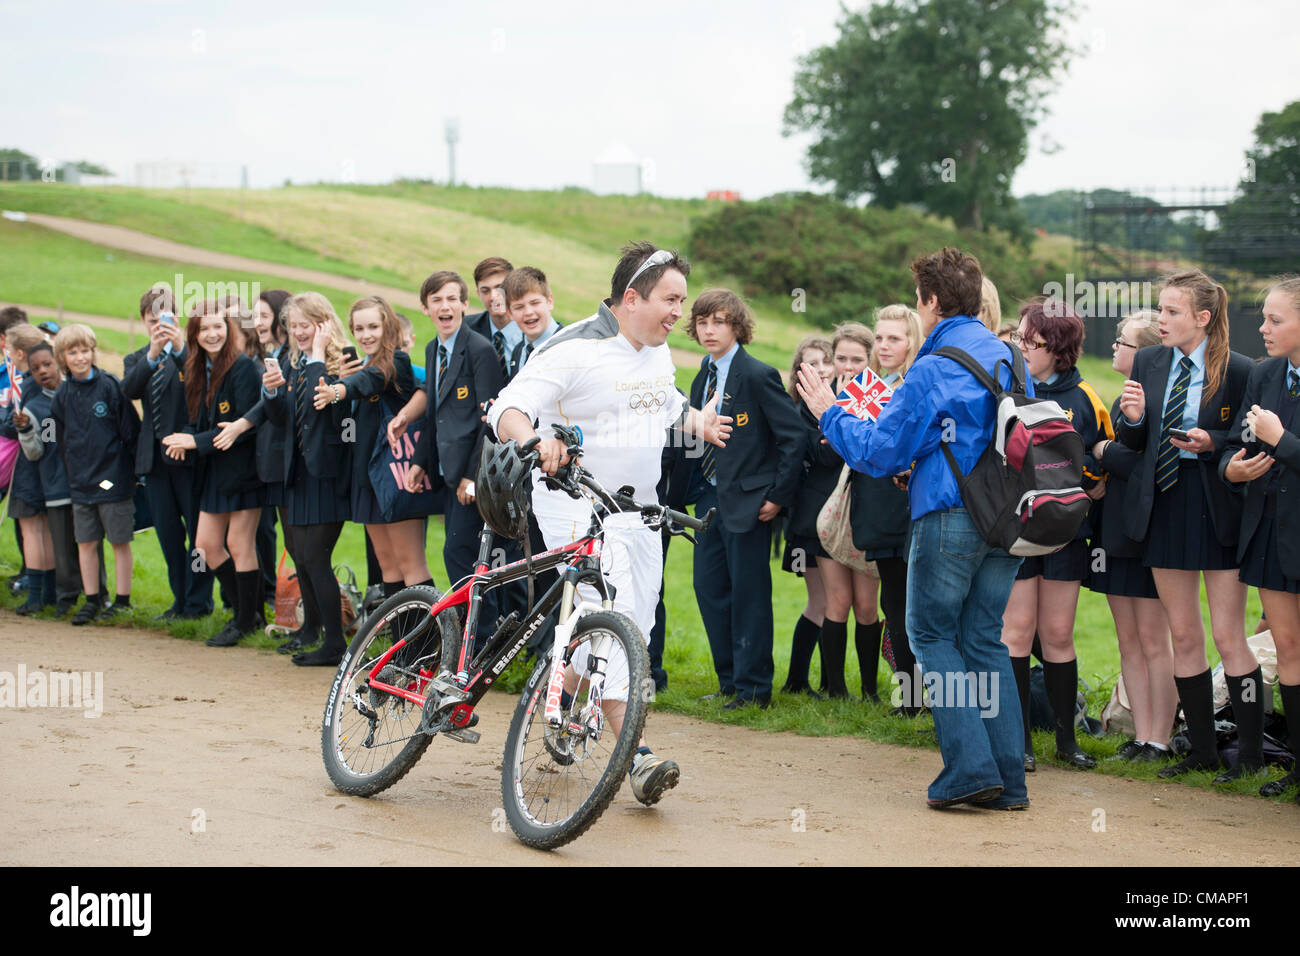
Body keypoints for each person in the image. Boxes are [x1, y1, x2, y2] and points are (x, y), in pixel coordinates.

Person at [488, 241, 732, 806]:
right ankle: (637, 756)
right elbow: (506, 407)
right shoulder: (574, 348)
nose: (680, 312)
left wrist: (697, 421)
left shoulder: (657, 350)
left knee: (635, 632)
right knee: (613, 620)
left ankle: (551, 699)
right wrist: (536, 441)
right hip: (574, 503)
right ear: (631, 297)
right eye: (670, 300)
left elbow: (661, 399)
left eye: (682, 300)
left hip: (638, 512)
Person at [797, 246, 1029, 811]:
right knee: (984, 640)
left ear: (928, 301)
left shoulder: (933, 365)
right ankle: (1009, 781)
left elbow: (879, 452)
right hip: (1007, 519)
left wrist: (832, 412)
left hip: (950, 518)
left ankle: (970, 770)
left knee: (930, 637)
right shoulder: (1008, 357)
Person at [1116, 269, 1256, 781]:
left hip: (1217, 507)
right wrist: (1133, 419)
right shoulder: (1150, 360)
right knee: (1183, 633)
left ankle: (1252, 758)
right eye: (1160, 309)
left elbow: (1249, 436)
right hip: (1165, 505)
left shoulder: (1241, 369)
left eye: (1172, 312)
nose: (1161, 320)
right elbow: (1134, 442)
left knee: (1228, 636)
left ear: (1203, 317)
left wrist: (1212, 441)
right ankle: (1200, 750)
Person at [1000, 298, 1112, 771]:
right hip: (1019, 532)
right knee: (1016, 633)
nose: (1022, 347)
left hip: (1066, 533)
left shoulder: (1086, 398)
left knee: (1058, 634)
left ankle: (1068, 742)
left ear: (1059, 347)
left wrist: (1078, 486)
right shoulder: (1005, 387)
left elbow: (1103, 466)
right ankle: (1019, 742)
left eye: (1033, 340)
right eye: (1021, 338)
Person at [687, 289, 805, 709]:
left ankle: (754, 690)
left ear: (737, 326)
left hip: (752, 504)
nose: (709, 329)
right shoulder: (704, 373)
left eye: (718, 321)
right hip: (709, 502)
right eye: (702, 321)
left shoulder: (757, 374)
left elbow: (794, 438)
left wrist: (776, 496)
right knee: (707, 587)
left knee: (749, 596)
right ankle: (729, 682)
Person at [391, 271, 504, 641]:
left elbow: (489, 420)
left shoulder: (479, 350)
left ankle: (478, 637)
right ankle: (467, 634)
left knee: (460, 552)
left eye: (453, 298)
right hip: (444, 470)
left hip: (470, 476)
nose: (446, 306)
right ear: (425, 308)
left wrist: (472, 476)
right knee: (457, 553)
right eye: (437, 299)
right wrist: (421, 461)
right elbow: (437, 412)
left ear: (464, 305)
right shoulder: (431, 349)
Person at [1221, 276, 1300, 799]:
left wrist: (1282, 440)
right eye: (1264, 317)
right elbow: (1236, 445)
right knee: (1288, 647)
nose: (1264, 328)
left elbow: (1279, 442)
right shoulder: (1265, 373)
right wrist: (1233, 469)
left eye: (1276, 319)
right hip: (1271, 532)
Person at [1088, 311, 1176, 764]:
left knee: (1155, 638)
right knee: (1128, 639)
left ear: (1145, 353)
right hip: (1113, 530)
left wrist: (1104, 451)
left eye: (1123, 342)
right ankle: (1141, 735)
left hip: (1147, 531)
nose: (1115, 349)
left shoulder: (1164, 397)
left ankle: (1162, 737)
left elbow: (1144, 464)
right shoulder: (1121, 397)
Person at [160, 300, 265, 647]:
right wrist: (185, 439)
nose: (212, 333)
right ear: (194, 335)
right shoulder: (196, 367)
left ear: (229, 329)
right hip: (214, 473)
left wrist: (194, 441)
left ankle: (244, 619)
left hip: (243, 470)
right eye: (204, 328)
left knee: (238, 544)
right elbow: (201, 421)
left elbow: (245, 425)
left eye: (218, 326)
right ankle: (246, 612)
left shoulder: (245, 367)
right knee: (205, 546)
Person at [313, 296, 432, 594]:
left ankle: (429, 639)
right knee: (386, 563)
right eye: (360, 328)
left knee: (410, 563)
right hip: (367, 477)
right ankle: (399, 639)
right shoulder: (359, 368)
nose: (366, 335)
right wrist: (342, 384)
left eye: (373, 327)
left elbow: (373, 380)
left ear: (388, 327)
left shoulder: (397, 362)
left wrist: (341, 388)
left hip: (397, 476)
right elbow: (344, 424)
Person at [262, 292, 354, 666]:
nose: (298, 333)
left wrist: (317, 354)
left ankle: (335, 642)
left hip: (328, 475)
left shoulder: (342, 360)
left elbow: (321, 410)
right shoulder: (299, 363)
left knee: (316, 558)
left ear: (324, 323)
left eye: (306, 326)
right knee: (301, 557)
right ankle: (311, 628)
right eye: (293, 326)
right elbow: (286, 419)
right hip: (299, 474)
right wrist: (271, 390)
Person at [121, 286, 214, 621]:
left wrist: (176, 347)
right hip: (154, 462)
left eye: (165, 319)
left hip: (189, 460)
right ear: (144, 322)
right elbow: (128, 390)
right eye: (151, 321)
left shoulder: (191, 356)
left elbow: (198, 384)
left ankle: (199, 602)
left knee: (197, 538)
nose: (157, 326)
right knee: (169, 536)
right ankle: (179, 601)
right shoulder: (136, 359)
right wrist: (153, 353)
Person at [850, 305, 922, 709]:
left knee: (920, 607)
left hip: (917, 510)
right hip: (880, 512)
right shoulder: (870, 386)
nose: (884, 345)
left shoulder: (918, 383)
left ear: (912, 339)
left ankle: (937, 698)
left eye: (894, 338)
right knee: (893, 606)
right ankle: (909, 698)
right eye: (879, 338)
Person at [49, 324, 141, 625]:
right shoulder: (62, 396)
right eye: (72, 352)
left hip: (112, 479)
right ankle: (92, 600)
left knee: (118, 541)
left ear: (93, 351)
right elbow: (62, 442)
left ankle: (122, 600)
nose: (79, 357)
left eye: (84, 350)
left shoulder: (110, 386)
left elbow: (130, 432)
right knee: (86, 542)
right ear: (63, 357)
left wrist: (129, 473)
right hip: (81, 483)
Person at [814, 322, 884, 700]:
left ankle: (870, 690)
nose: (849, 366)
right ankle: (835, 688)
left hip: (866, 512)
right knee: (836, 602)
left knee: (866, 606)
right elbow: (815, 451)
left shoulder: (879, 397)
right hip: (827, 515)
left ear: (869, 360)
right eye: (841, 358)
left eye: (857, 359)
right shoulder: (819, 397)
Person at [780, 335, 834, 697]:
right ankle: (797, 680)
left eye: (825, 361)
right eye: (810, 363)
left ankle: (822, 682)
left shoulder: (836, 406)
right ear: (799, 371)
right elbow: (824, 458)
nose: (820, 369)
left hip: (831, 519)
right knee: (822, 602)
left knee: (830, 602)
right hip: (809, 521)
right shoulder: (799, 413)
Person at [1, 329, 56, 614]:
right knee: (43, 530)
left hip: (30, 469)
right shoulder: (42, 383)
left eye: (9, 349)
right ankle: (48, 594)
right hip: (47, 471)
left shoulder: (29, 386)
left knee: (32, 531)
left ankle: (35, 596)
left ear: (19, 353)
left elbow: (18, 426)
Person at [464, 256, 520, 378]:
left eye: (500, 288)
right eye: (485, 291)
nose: (493, 296)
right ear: (478, 294)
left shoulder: (532, 330)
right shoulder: (466, 329)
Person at [503, 267, 562, 378]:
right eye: (519, 307)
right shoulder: (518, 352)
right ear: (509, 313)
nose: (528, 312)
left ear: (549, 301)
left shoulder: (569, 346)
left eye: (535, 303)